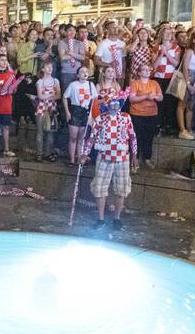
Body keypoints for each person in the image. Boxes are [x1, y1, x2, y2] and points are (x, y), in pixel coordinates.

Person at [83, 95, 136, 231]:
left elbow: (132, 136)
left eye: (116, 103)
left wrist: (134, 155)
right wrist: (85, 153)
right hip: (104, 157)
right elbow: (92, 138)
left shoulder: (126, 117)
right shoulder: (100, 119)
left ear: (120, 104)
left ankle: (117, 218)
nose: (114, 105)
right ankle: (100, 219)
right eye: (111, 103)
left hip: (123, 158)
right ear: (107, 105)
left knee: (122, 188)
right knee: (99, 187)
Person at [127, 61, 163, 169]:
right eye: (144, 69)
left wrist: (155, 97)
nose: (147, 71)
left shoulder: (154, 83)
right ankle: (135, 159)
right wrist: (146, 96)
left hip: (151, 114)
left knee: (149, 137)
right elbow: (131, 98)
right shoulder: (135, 83)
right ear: (139, 72)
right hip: (137, 113)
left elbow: (161, 98)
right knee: (137, 137)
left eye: (149, 69)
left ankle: (147, 158)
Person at [62, 65, 97, 163]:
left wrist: (91, 115)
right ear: (77, 75)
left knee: (82, 138)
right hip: (75, 111)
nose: (85, 73)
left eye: (86, 71)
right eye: (82, 71)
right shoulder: (73, 85)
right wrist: (67, 112)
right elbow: (65, 97)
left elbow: (94, 100)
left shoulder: (91, 85)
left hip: (85, 112)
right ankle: (72, 159)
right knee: (73, 137)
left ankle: (79, 159)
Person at [31, 60, 61, 161]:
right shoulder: (40, 81)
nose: (50, 69)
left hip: (52, 108)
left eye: (51, 67)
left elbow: (58, 95)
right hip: (41, 108)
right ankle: (39, 154)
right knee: (40, 132)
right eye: (48, 67)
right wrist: (51, 95)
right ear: (43, 69)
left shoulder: (56, 81)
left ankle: (47, 153)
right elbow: (40, 96)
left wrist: (46, 96)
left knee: (50, 132)